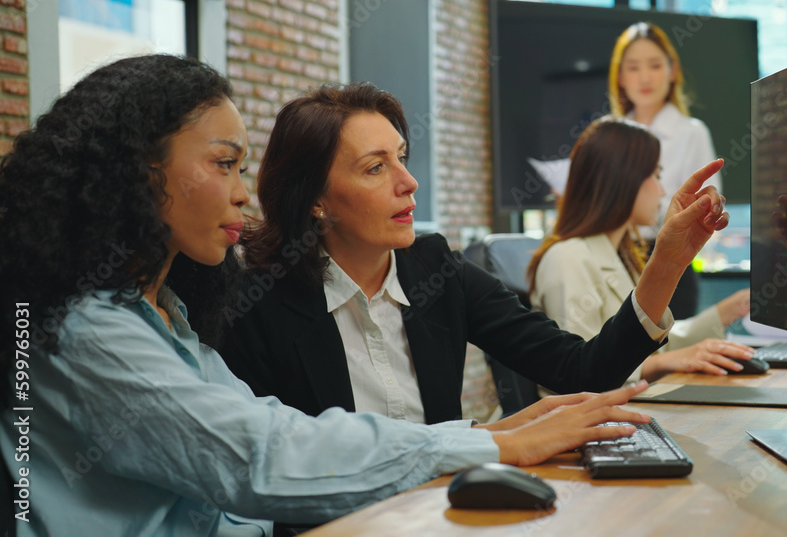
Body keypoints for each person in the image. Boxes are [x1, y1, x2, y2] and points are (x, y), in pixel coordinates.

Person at [0, 54, 656, 536]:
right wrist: (491, 447)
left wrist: (483, 436)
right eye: (224, 163)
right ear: (141, 174)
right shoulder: (86, 330)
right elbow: (263, 457)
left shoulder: (163, 318)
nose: (239, 192)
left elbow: (279, 442)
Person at [218, 83, 730, 426]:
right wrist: (490, 440)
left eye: (402, 158)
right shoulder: (260, 302)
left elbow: (582, 369)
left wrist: (667, 260)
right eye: (375, 168)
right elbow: (285, 469)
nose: (409, 182)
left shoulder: (435, 269)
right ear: (315, 199)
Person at [528, 117, 753, 382]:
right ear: (624, 178)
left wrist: (731, 308)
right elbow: (581, 370)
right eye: (656, 176)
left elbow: (641, 340)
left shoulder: (620, 254)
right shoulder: (569, 258)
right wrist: (669, 360)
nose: (661, 191)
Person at [609, 21, 722, 319]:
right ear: (620, 76)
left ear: (672, 72)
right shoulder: (609, 135)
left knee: (669, 353)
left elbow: (705, 205)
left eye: (655, 65)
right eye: (633, 67)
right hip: (612, 256)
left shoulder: (692, 133)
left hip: (668, 260)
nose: (645, 77)